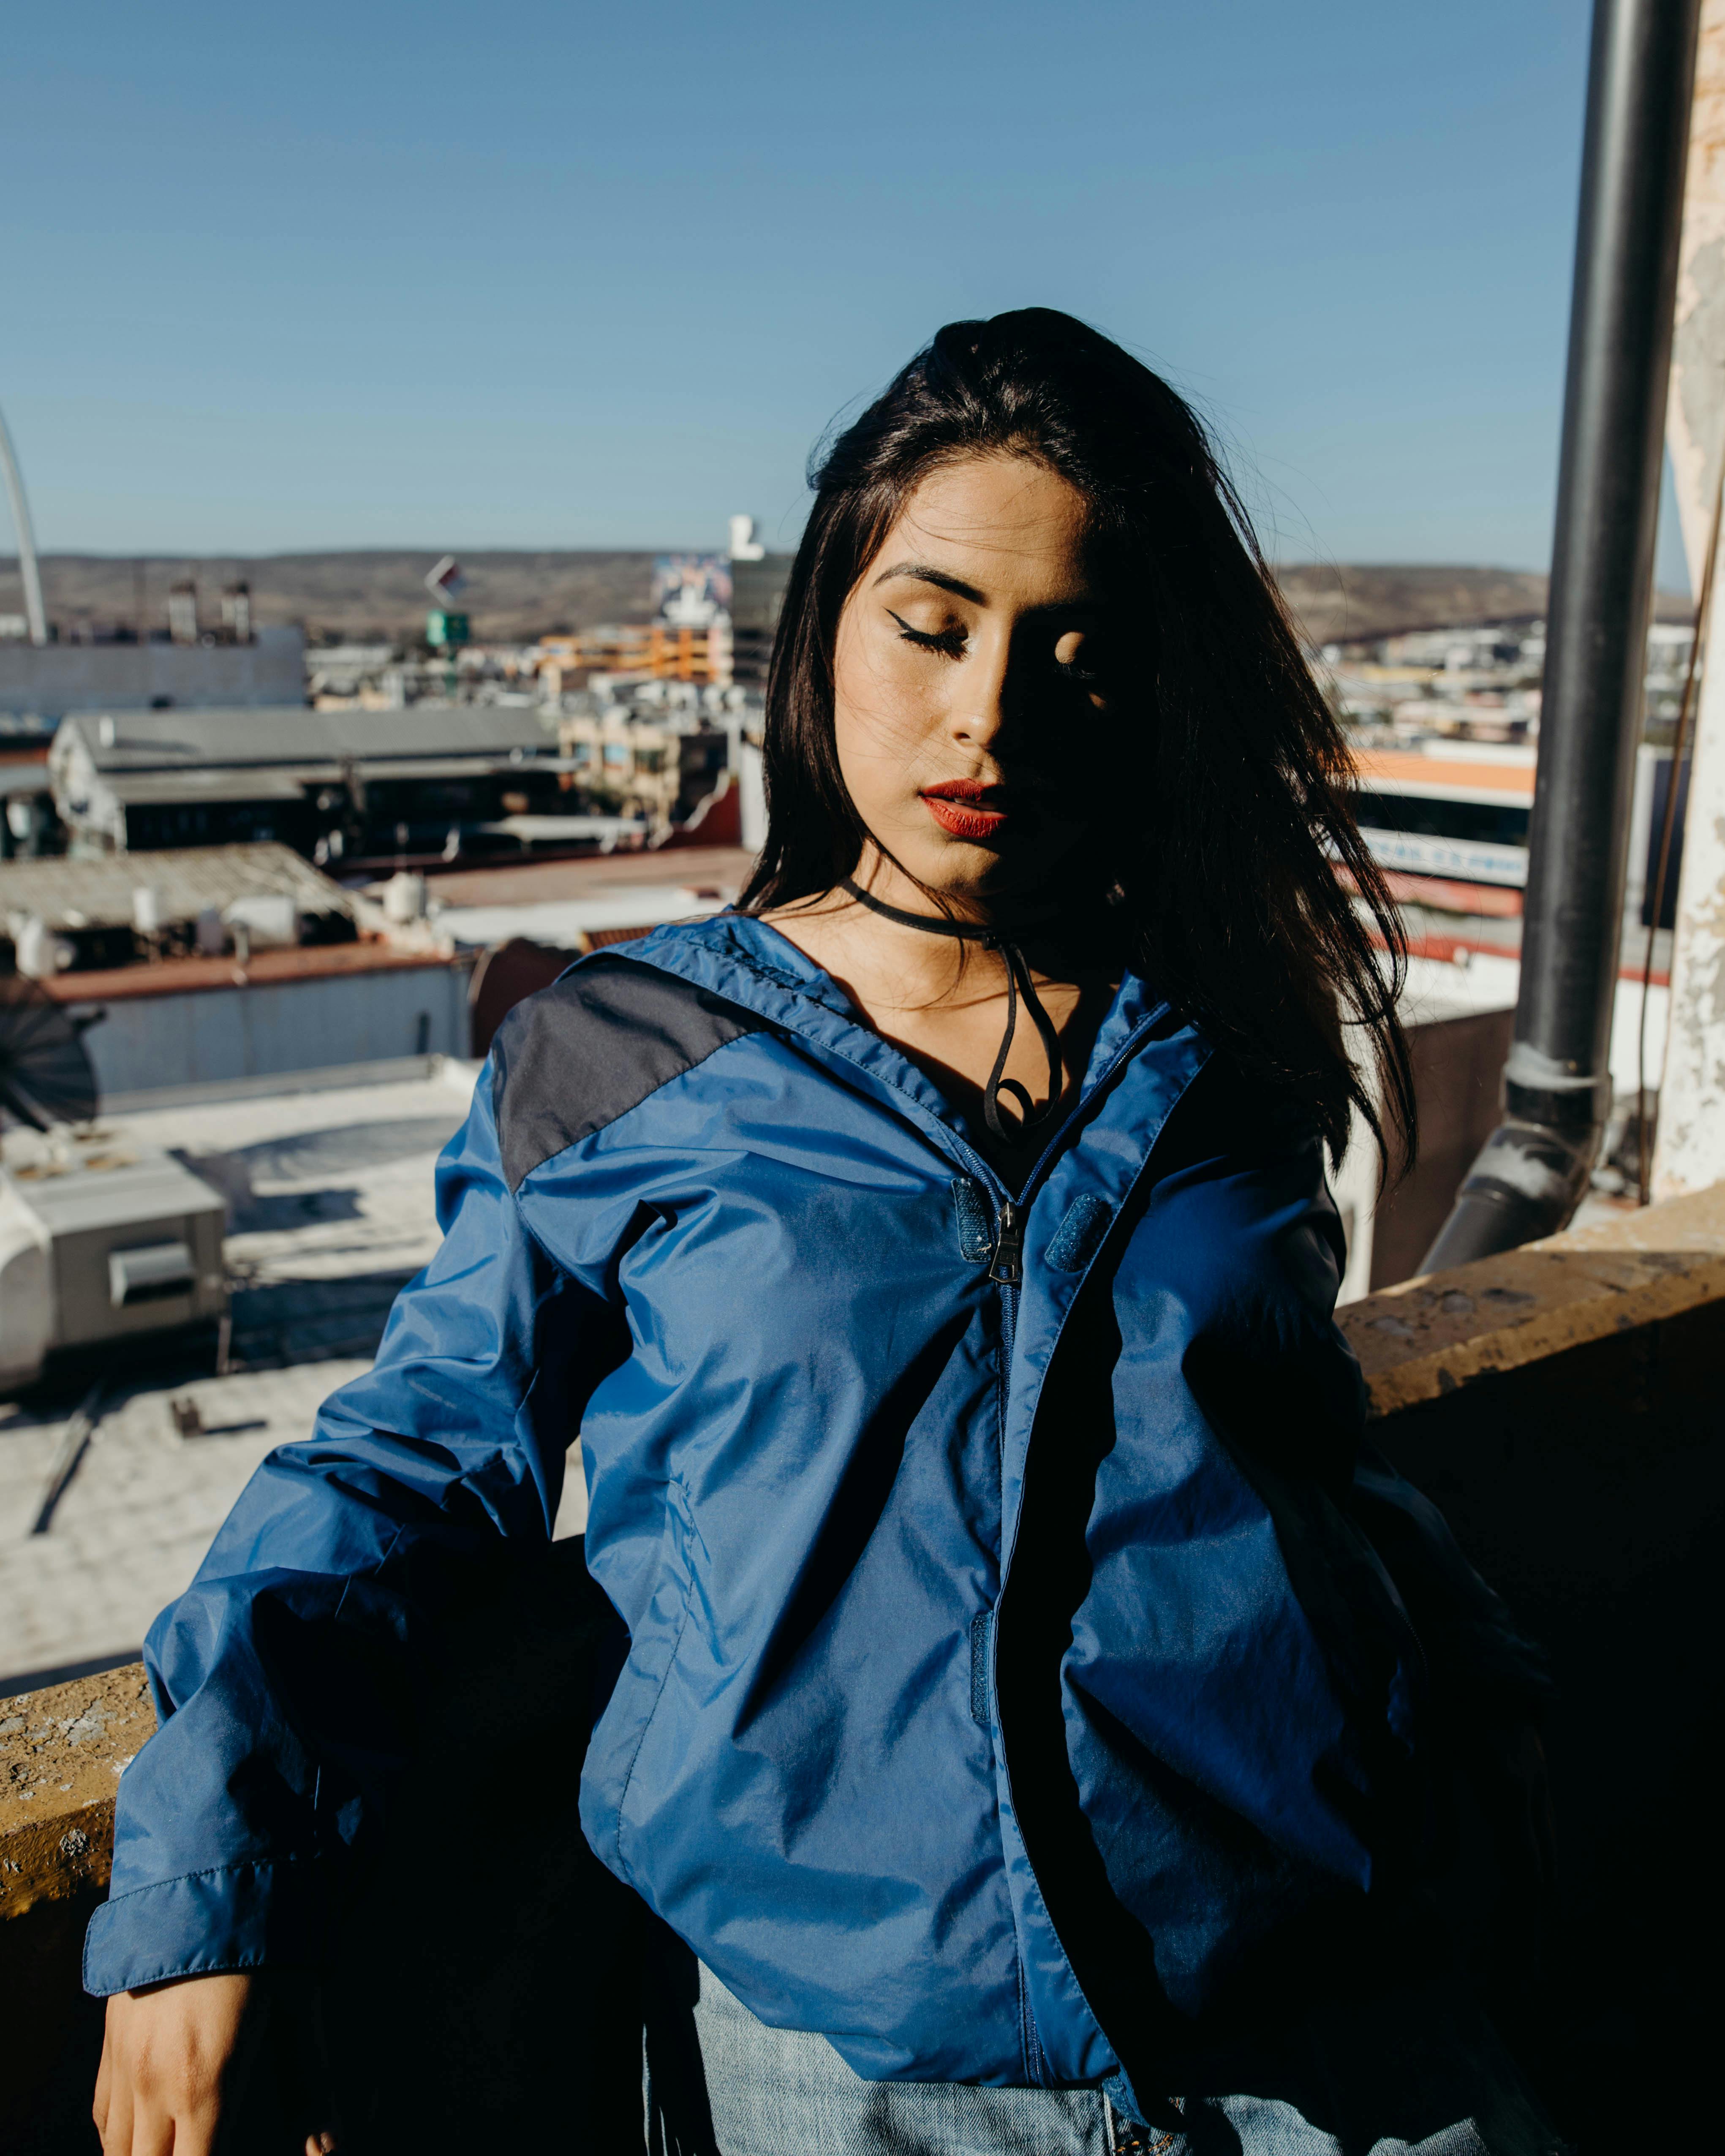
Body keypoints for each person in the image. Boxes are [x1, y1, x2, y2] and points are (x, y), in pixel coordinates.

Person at [89, 310, 1561, 2156]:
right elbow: (408, 1457)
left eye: (1074, 650)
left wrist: (1486, 1694)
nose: (989, 713)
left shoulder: (1216, 1056)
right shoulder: (621, 1055)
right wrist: (211, 1877)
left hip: (1338, 2039)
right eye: (932, 624)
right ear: (827, 626)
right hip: (857, 2083)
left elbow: (1307, 1448)